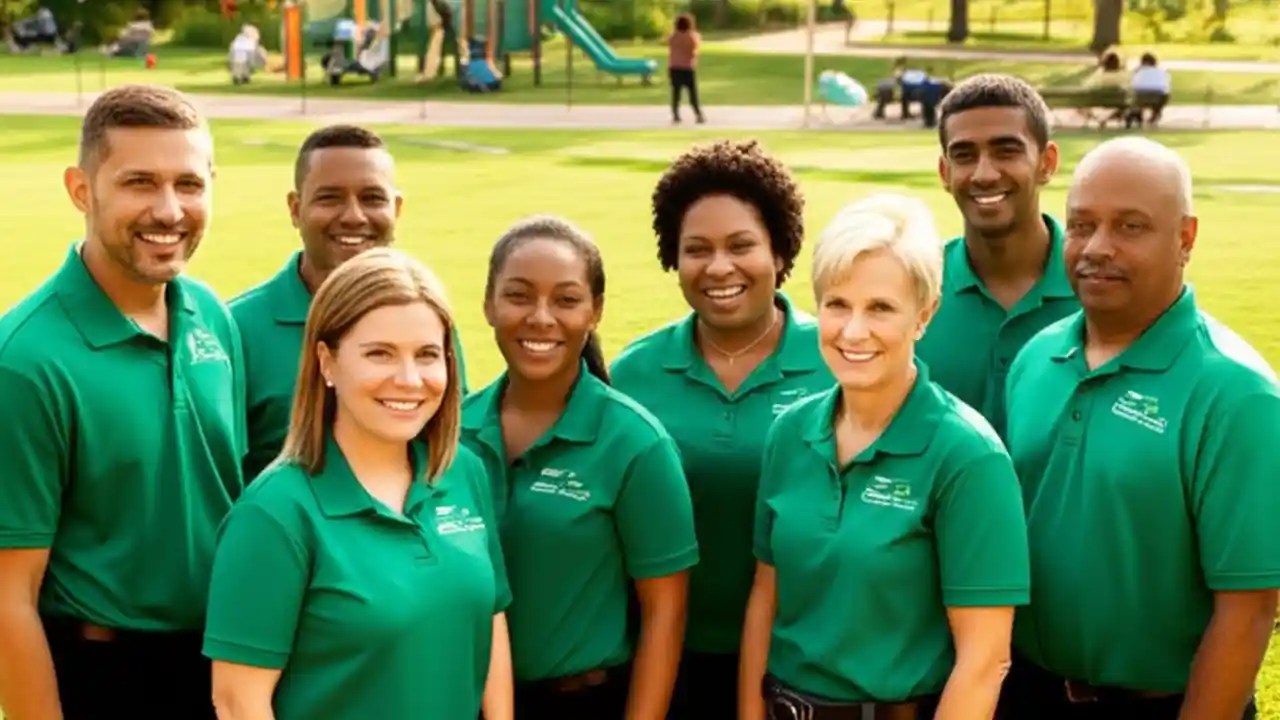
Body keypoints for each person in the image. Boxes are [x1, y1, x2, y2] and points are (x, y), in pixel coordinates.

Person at [999, 137, 1280, 719]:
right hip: (1026, 692)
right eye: (1081, 224)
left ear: (1185, 238)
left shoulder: (1235, 392)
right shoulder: (1036, 358)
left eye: (1130, 227)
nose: (1097, 247)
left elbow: (1249, 607)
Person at [0, 84, 242, 720]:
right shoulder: (24, 360)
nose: (169, 210)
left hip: (226, 666)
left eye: (189, 184)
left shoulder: (213, 317)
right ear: (82, 190)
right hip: (105, 677)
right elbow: (7, 596)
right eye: (140, 183)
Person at [741, 193, 1031, 720]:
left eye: (880, 308)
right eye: (837, 304)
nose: (854, 331)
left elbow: (986, 659)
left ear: (924, 314)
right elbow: (767, 595)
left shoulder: (968, 457)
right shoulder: (790, 432)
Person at [204, 247, 513, 720]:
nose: (410, 380)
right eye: (380, 354)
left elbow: (490, 624)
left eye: (427, 355)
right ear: (327, 362)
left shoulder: (463, 472)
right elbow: (237, 702)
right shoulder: (274, 515)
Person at [611, 140, 832, 719]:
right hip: (663, 660)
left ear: (780, 249)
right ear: (672, 257)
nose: (718, 268)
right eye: (696, 250)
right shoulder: (634, 372)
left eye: (741, 246)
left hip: (806, 666)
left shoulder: (837, 359)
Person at [461, 215, 699, 718]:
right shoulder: (447, 433)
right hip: (461, 701)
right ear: (488, 303)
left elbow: (666, 613)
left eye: (566, 300)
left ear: (596, 312)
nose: (541, 317)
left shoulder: (636, 443)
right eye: (519, 295)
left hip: (582, 702)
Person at [231, 124, 468, 482]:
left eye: (372, 198)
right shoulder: (236, 328)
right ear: (296, 209)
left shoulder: (425, 319)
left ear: (397, 209)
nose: (354, 216)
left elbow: (449, 445)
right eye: (330, 198)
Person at [918, 73, 1079, 438]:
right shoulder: (911, 287)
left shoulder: (1097, 284)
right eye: (964, 155)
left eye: (1006, 151)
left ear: (1047, 162)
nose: (985, 174)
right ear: (945, 172)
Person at [667, 13, 705, 125]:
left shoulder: (673, 37)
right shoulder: (692, 37)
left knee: (676, 93)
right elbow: (695, 50)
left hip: (674, 67)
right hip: (687, 68)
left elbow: (667, 42)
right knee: (693, 93)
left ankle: (676, 115)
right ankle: (698, 114)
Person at [1127, 51, 1171, 128]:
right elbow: (1166, 87)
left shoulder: (1137, 71)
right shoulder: (1162, 72)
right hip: (1158, 98)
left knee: (1134, 95)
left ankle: (1137, 114)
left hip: (1140, 98)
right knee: (1165, 95)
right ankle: (1156, 112)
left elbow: (1132, 85)